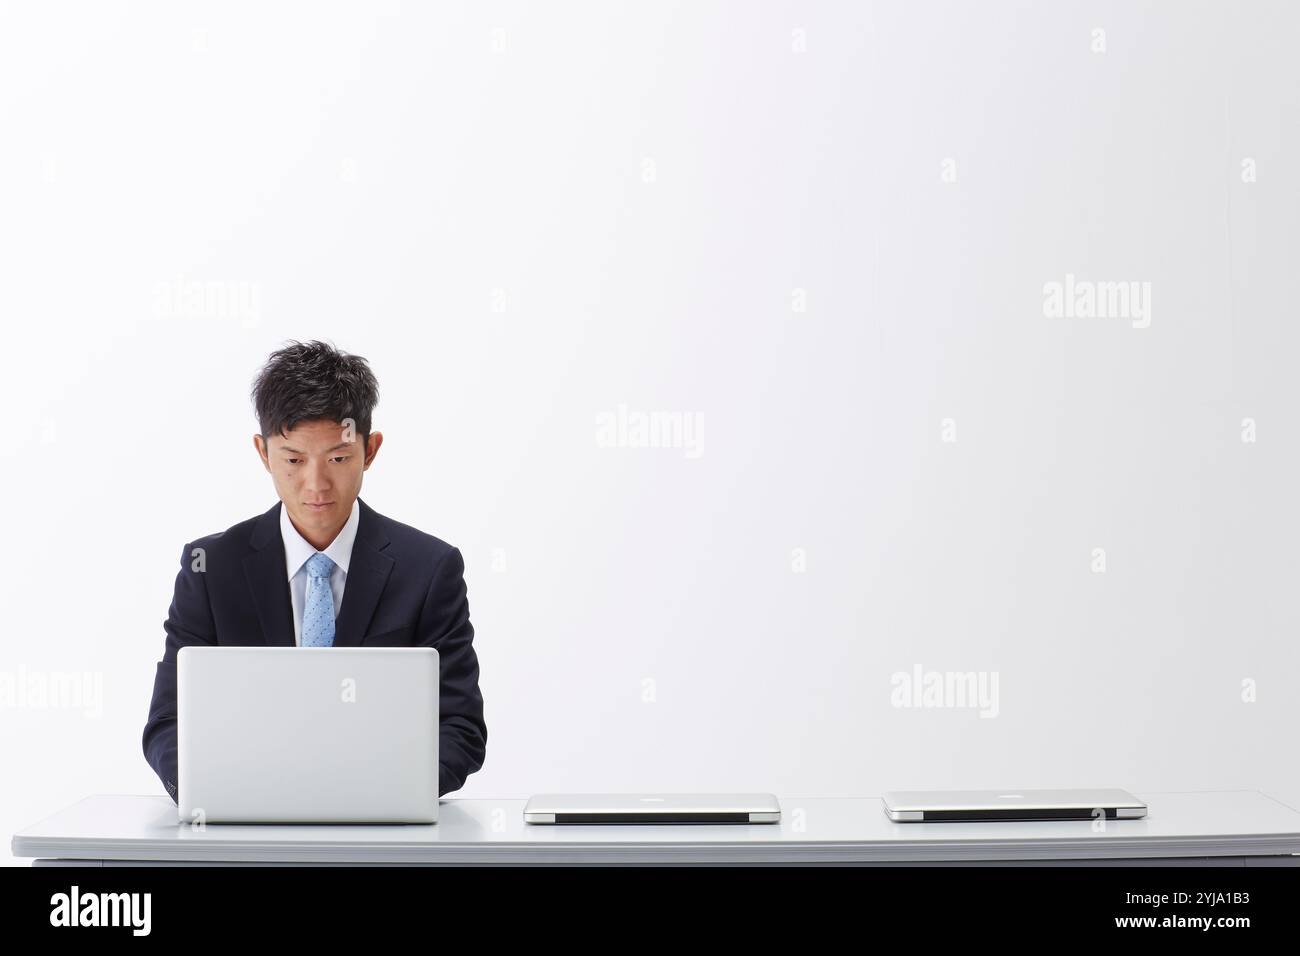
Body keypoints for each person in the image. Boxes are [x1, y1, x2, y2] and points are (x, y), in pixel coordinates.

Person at [141, 339, 487, 801]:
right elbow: (168, 723)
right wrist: (219, 793)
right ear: (263, 454)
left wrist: (373, 795)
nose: (316, 484)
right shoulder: (210, 569)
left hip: (380, 827)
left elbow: (460, 727)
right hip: (244, 823)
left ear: (371, 449)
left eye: (339, 459)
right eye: (293, 460)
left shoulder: (429, 569)